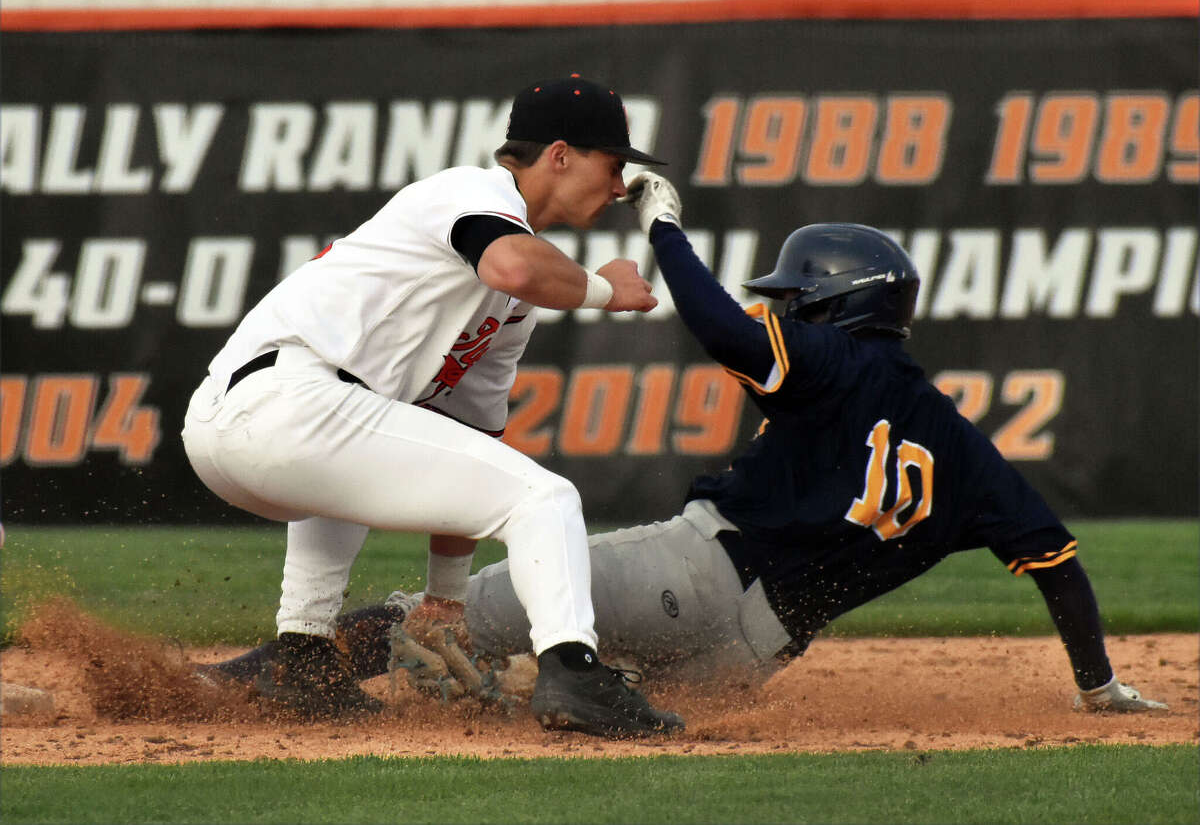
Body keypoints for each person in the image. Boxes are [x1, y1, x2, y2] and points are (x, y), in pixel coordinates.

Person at [204, 174, 1167, 716]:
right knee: (497, 682)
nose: (780, 305)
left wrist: (665, 233)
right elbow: (1057, 562)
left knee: (452, 618)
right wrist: (1099, 682)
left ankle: (243, 686)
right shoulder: (965, 452)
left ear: (832, 306)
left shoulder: (830, 360)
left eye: (794, 296)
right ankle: (471, 696)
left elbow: (724, 329)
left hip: (696, 570)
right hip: (750, 657)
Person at [181, 76, 687, 739]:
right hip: (282, 401)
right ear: (559, 155)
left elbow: (469, 425)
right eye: (613, 163)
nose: (620, 185)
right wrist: (604, 289)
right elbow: (512, 265)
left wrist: (446, 595)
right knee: (546, 499)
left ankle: (301, 654)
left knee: (365, 436)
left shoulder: (510, 300)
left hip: (272, 423)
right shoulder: (470, 191)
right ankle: (575, 670)